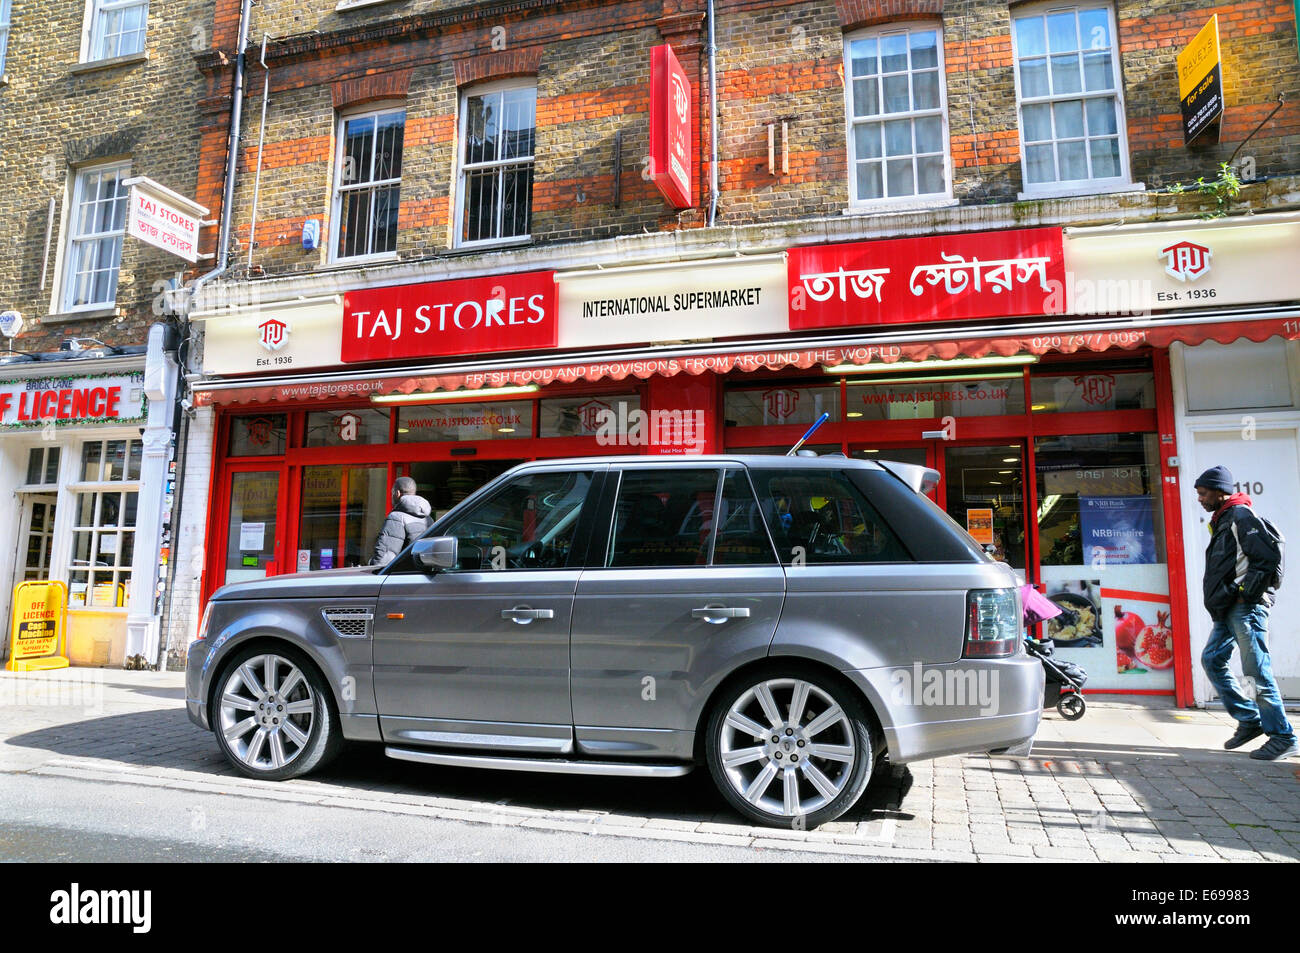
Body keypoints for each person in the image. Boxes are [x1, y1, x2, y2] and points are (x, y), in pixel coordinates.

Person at [1195, 465, 1296, 761]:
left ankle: (1283, 736)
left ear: (1218, 491)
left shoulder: (1241, 516)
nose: (1200, 499)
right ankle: (1250, 719)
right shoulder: (1224, 518)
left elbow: (1265, 560)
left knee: (1257, 672)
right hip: (1229, 607)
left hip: (1245, 608)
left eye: (1203, 493)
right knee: (1212, 659)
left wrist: (1242, 595)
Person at [369, 476, 432, 566]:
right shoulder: (429, 519)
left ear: (397, 493)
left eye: (392, 493)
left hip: (402, 575)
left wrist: (372, 566)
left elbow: (384, 559)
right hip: (422, 574)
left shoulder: (396, 518)